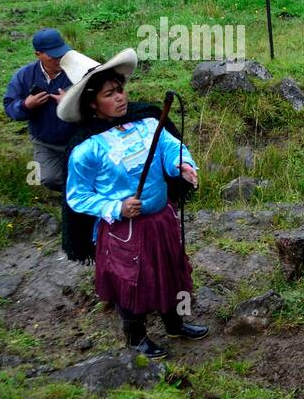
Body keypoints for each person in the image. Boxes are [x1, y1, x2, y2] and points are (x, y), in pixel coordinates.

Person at [59, 48, 209, 358]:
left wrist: (182, 165)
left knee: (169, 269)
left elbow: (170, 148)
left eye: (120, 90)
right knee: (132, 281)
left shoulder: (147, 122)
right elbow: (78, 195)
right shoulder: (86, 149)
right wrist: (116, 208)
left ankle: (174, 323)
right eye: (109, 94)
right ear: (92, 103)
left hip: (160, 220)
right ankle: (136, 337)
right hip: (123, 231)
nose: (120, 98)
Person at [2, 28, 76, 192]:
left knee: (87, 173)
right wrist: (25, 105)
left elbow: (98, 102)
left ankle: (83, 199)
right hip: (44, 142)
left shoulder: (78, 72)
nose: (58, 59)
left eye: (61, 53)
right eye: (53, 55)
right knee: (49, 178)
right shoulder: (24, 76)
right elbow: (9, 106)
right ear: (38, 54)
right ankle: (75, 194)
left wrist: (71, 103)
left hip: (77, 139)